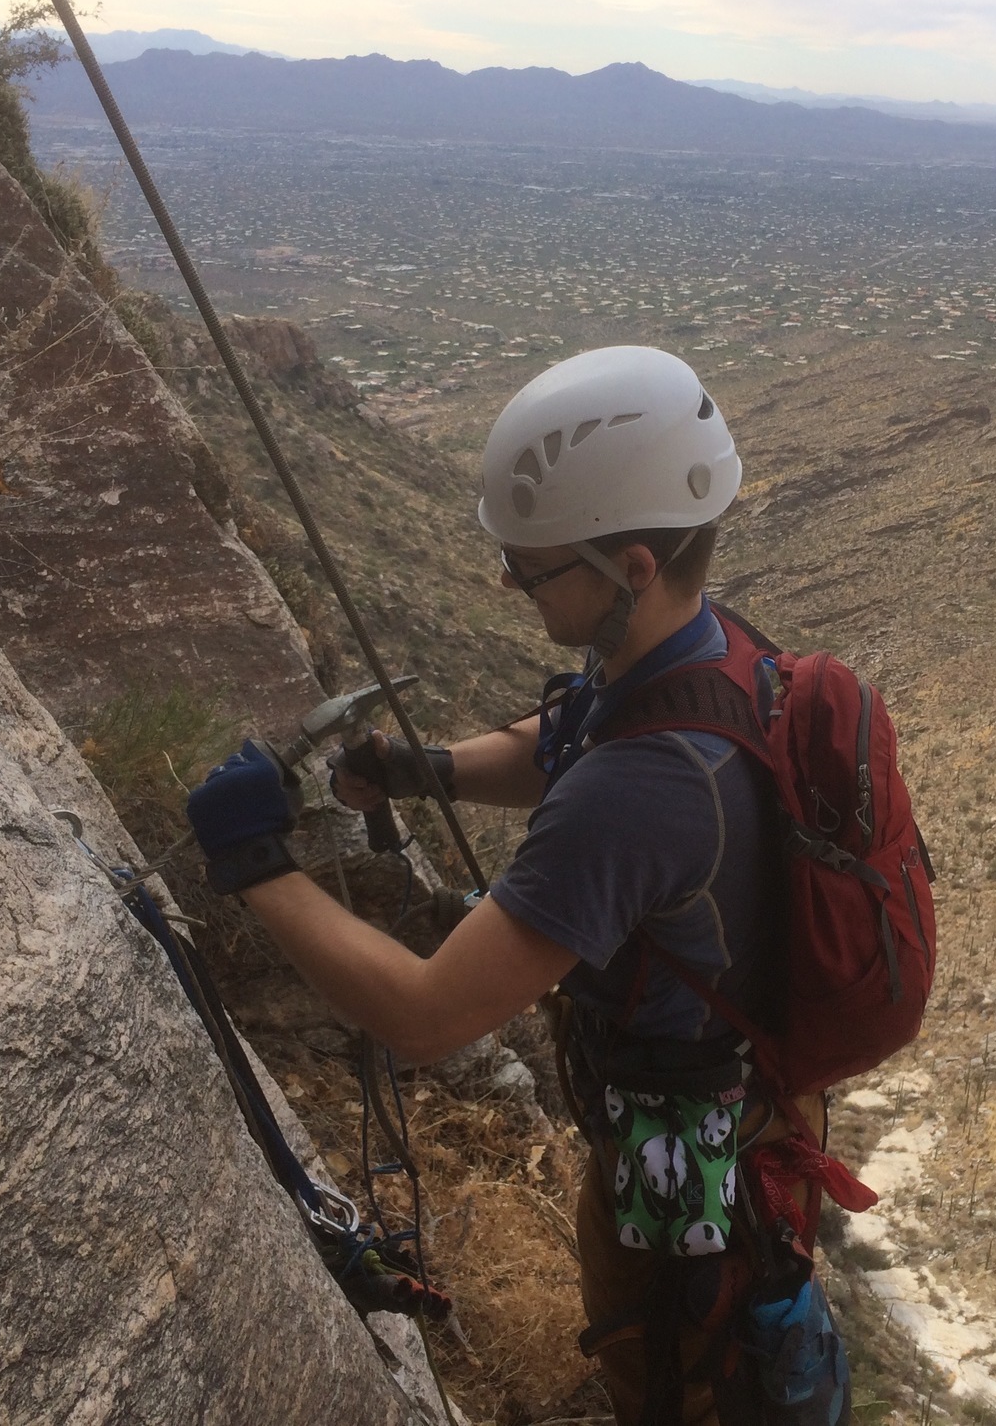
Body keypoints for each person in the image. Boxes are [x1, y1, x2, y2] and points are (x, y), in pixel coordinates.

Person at [185, 346, 849, 1426]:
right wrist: (428, 767)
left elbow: (424, 1014)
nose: (508, 584)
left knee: (675, 1370)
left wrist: (255, 866)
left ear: (630, 565)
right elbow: (577, 731)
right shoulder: (714, 647)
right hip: (742, 1106)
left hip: (679, 1165)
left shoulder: (637, 797)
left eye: (534, 569)